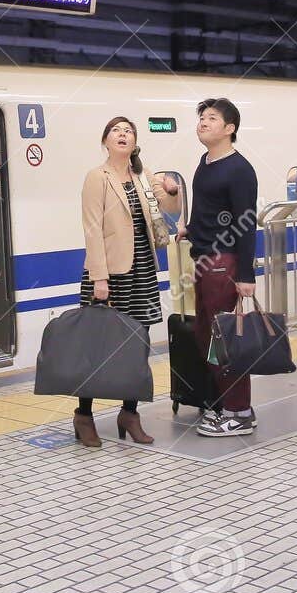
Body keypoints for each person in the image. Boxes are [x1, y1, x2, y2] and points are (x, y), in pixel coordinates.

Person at [76, 116, 179, 448]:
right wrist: (99, 279)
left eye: (128, 131)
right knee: (98, 346)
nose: (122, 135)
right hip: (108, 273)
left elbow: (170, 207)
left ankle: (129, 413)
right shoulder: (97, 177)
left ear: (135, 143)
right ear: (105, 141)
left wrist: (172, 190)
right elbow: (92, 229)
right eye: (115, 131)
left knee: (138, 345)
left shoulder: (142, 177)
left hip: (143, 270)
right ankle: (84, 415)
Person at [185, 97, 259, 438]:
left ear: (229, 129)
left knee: (226, 340)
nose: (203, 122)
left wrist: (246, 276)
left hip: (224, 263)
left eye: (211, 118)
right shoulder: (205, 162)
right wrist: (190, 228)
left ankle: (239, 413)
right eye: (202, 117)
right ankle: (226, 404)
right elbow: (209, 210)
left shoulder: (240, 170)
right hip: (203, 261)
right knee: (207, 337)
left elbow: (245, 224)